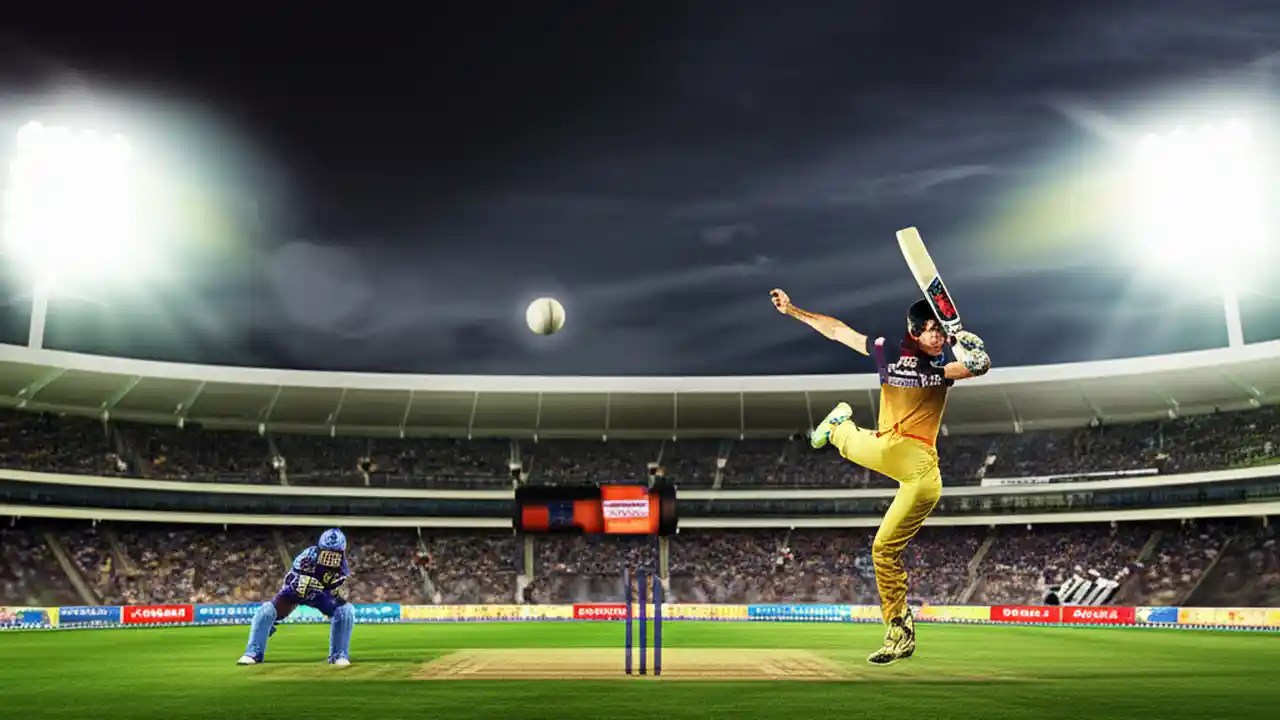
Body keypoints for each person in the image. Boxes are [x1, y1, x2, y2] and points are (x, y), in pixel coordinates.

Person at [770, 288, 991, 665]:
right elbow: (838, 331)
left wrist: (976, 357)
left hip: (921, 471)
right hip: (894, 451)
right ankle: (899, 631)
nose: (939, 338)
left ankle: (839, 426)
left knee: (883, 535)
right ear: (915, 331)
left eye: (942, 332)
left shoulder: (938, 367)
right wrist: (793, 311)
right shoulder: (888, 350)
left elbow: (968, 369)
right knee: (882, 549)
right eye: (932, 331)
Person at [237, 528, 355, 666]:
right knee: (266, 611)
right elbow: (291, 580)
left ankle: (339, 655)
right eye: (327, 553)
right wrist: (300, 584)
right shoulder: (306, 557)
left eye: (335, 554)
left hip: (321, 594)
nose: (331, 558)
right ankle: (253, 653)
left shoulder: (342, 569)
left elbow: (337, 590)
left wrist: (332, 597)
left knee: (346, 610)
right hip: (295, 591)